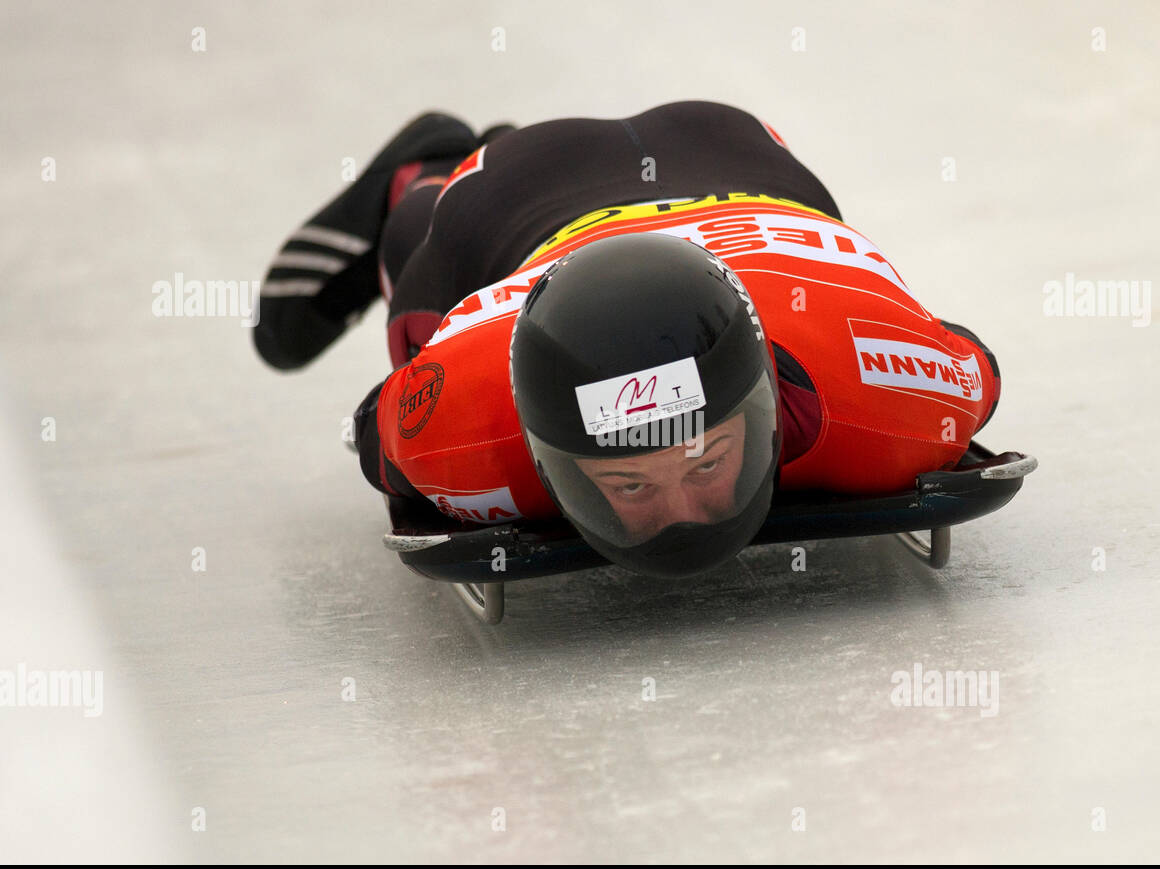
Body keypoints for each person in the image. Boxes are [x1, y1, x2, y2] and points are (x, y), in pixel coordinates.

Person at [253, 101, 1002, 578]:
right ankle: (423, 175)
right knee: (316, 315)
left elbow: (975, 365)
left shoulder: (881, 388)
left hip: (720, 152)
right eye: (631, 483)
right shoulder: (468, 420)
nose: (684, 514)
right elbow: (381, 430)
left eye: (707, 460)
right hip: (512, 192)